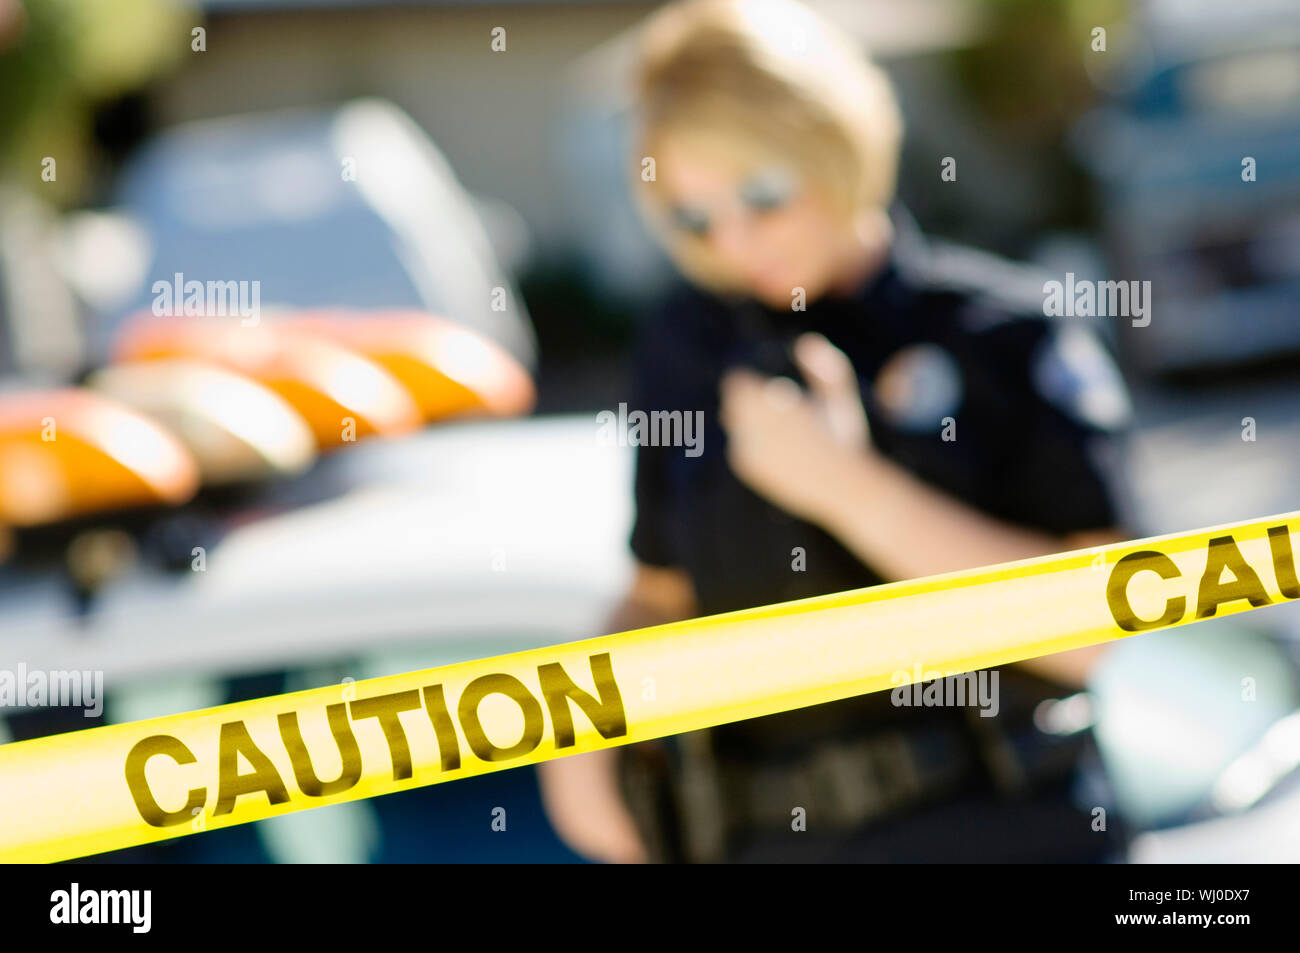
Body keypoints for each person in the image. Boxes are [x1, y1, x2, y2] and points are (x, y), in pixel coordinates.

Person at [539, 0, 1134, 863]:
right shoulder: (686, 346)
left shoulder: (1003, 331)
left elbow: (1101, 634)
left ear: (836, 146)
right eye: (695, 217)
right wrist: (584, 724)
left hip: (1002, 828)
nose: (736, 240)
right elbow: (662, 593)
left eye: (763, 194)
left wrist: (849, 490)